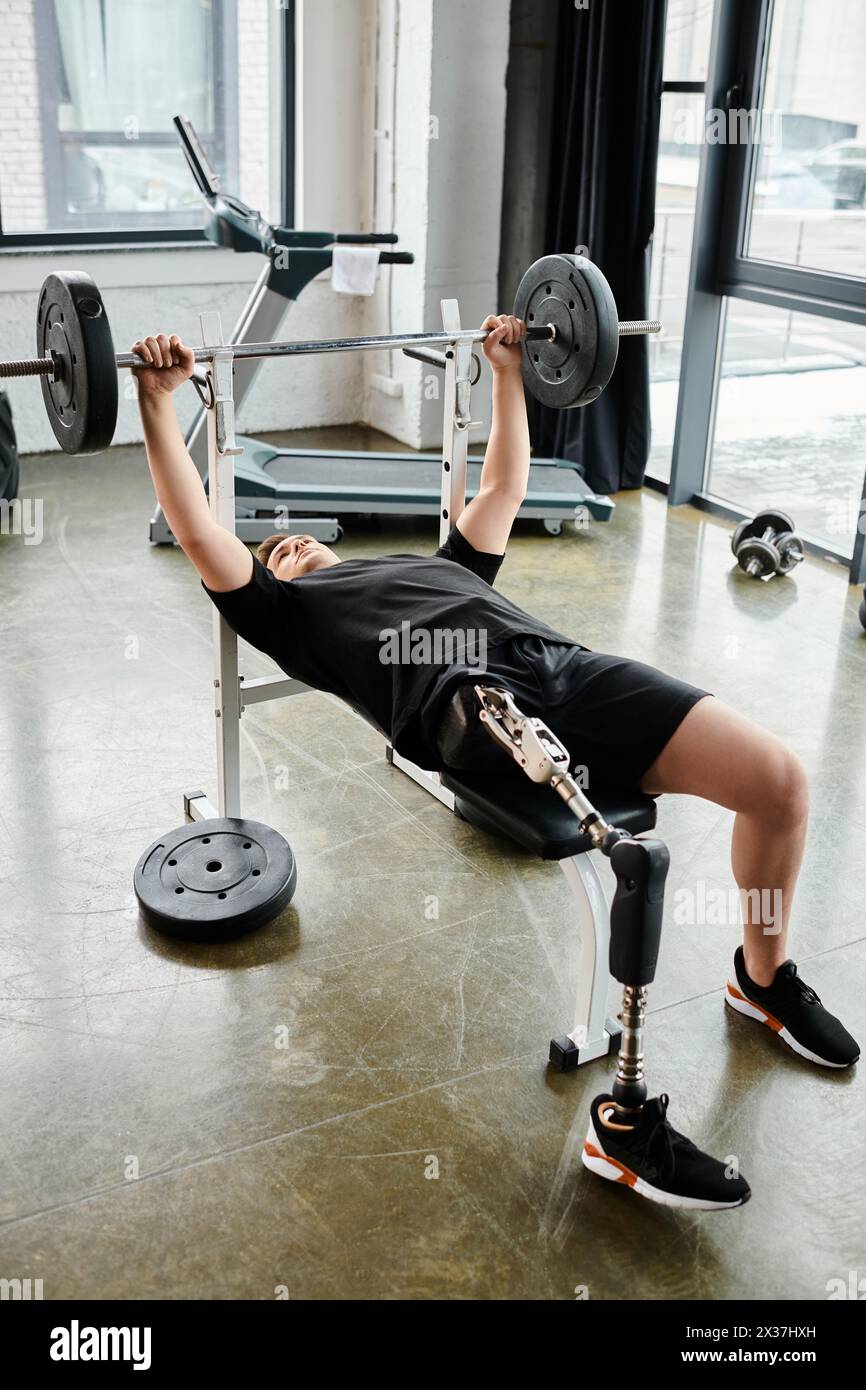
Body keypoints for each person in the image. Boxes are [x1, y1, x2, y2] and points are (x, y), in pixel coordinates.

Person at [132, 316, 858, 1211]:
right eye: (277, 550)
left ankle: (763, 977)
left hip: (569, 670)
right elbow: (202, 532)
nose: (291, 547)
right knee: (613, 837)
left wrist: (507, 368)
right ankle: (625, 1124)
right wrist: (157, 404)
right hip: (465, 709)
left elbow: (507, 482)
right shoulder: (293, 618)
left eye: (302, 543)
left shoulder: (442, 566)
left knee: (780, 781)